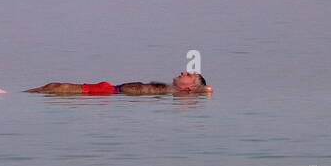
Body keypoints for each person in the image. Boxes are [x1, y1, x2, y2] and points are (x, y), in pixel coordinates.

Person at [25, 72, 212, 95]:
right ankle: (21, 94)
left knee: (56, 89)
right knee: (53, 87)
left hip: (111, 93)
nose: (183, 72)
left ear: (191, 86)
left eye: (189, 74)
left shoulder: (177, 93)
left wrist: (204, 90)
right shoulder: (172, 92)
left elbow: (206, 89)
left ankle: (15, 95)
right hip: (111, 89)